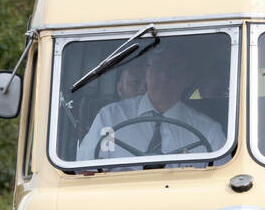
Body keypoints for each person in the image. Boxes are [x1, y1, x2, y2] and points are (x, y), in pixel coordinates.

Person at [76, 46, 224, 164]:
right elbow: (85, 168)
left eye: (174, 68)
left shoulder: (208, 131)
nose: (164, 76)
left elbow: (221, 181)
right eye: (158, 67)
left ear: (187, 77)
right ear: (146, 72)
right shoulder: (110, 117)